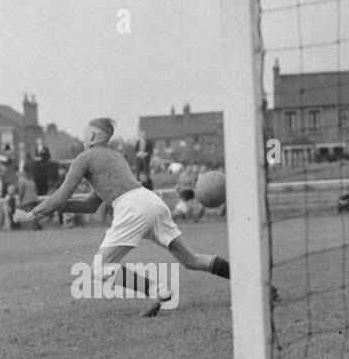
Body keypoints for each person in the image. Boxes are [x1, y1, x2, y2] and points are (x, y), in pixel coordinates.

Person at [13, 117, 230, 317]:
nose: (82, 137)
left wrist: (31, 215)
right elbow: (90, 205)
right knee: (191, 260)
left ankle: (158, 289)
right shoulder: (115, 156)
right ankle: (242, 277)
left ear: (92, 136)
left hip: (132, 207)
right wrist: (54, 208)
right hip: (151, 201)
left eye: (84, 133)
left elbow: (61, 195)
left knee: (100, 268)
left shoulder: (84, 157)